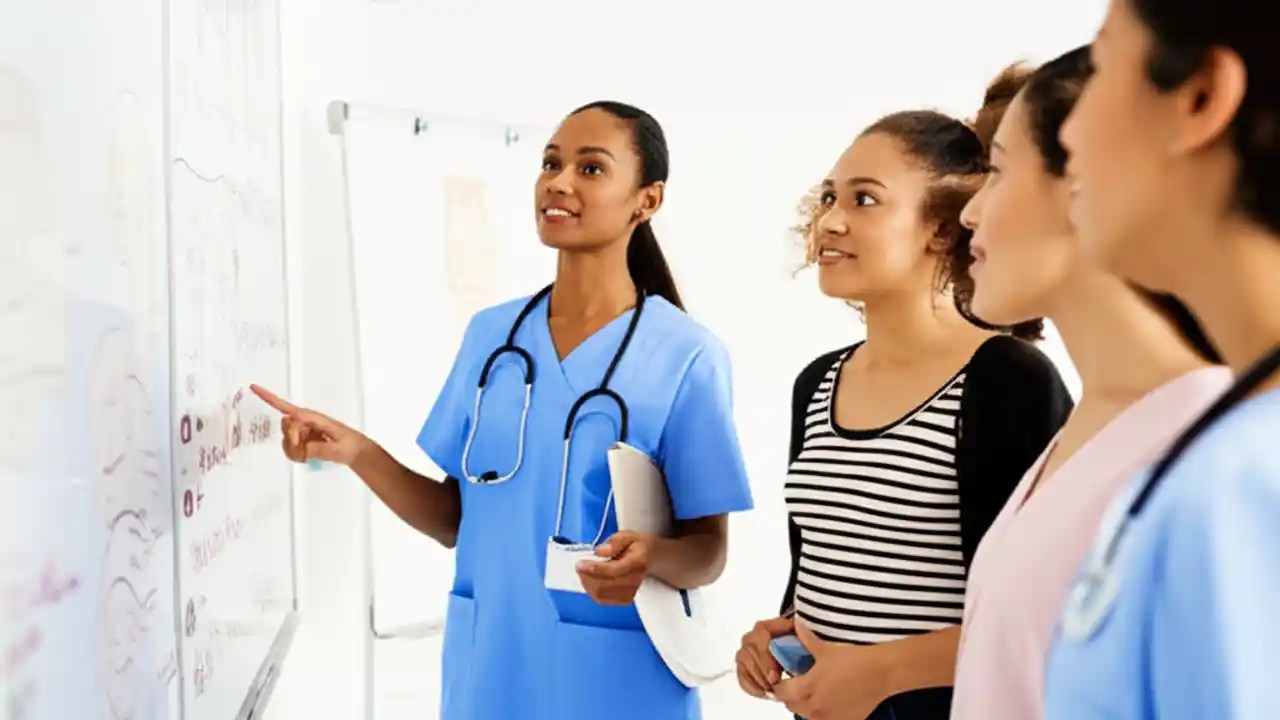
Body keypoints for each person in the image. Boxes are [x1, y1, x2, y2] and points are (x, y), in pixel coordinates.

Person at [253, 100, 754, 720]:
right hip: (490, 670)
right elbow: (454, 519)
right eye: (551, 162)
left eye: (591, 169)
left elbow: (708, 551)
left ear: (646, 201)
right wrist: (356, 451)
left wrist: (651, 557)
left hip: (620, 681)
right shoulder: (493, 338)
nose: (559, 181)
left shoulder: (687, 354)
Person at [736, 110, 1073, 720]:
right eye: (829, 197)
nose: (830, 221)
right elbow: (827, 571)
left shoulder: (1005, 380)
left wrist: (878, 673)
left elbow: (1046, 615)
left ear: (943, 229)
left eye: (865, 200)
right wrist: (778, 635)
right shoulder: (816, 384)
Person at [948, 48, 1231, 720]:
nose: (968, 214)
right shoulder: (1087, 427)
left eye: (997, 172)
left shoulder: (1205, 453)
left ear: (1090, 182)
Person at [1043, 0, 1280, 717]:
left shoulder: (1246, 484)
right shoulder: (1228, 457)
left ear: (1201, 98)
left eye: (1100, 66)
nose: (1069, 133)